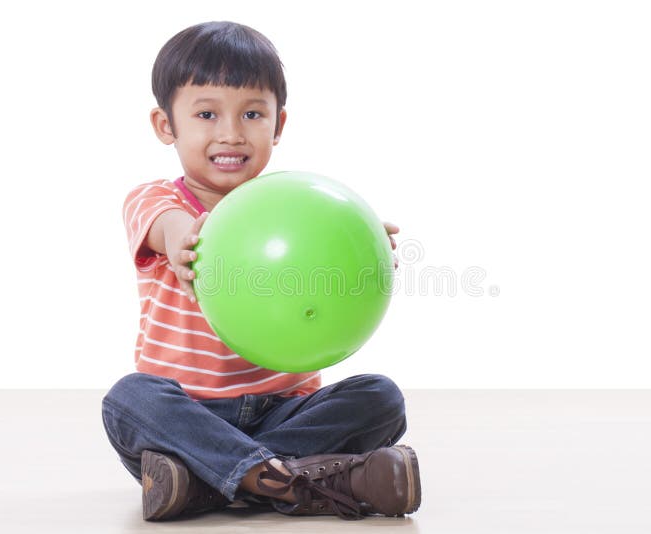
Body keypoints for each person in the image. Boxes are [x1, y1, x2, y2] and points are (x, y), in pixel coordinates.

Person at [101, 21, 421, 521]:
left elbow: (332, 244)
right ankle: (308, 479)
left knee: (381, 397)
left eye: (252, 113)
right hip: (189, 415)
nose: (231, 132)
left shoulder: (298, 206)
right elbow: (169, 228)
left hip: (286, 408)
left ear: (278, 124)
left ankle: (214, 483)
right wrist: (186, 241)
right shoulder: (158, 201)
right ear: (167, 125)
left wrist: (354, 247)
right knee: (129, 399)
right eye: (206, 114)